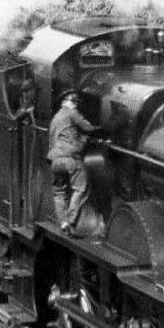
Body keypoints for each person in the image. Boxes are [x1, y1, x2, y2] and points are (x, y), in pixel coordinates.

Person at [48, 90, 95, 237]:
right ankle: (71, 221)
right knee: (81, 188)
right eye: (75, 103)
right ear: (72, 103)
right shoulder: (71, 113)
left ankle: (62, 222)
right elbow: (88, 128)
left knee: (59, 192)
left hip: (55, 160)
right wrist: (87, 137)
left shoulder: (55, 117)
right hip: (70, 159)